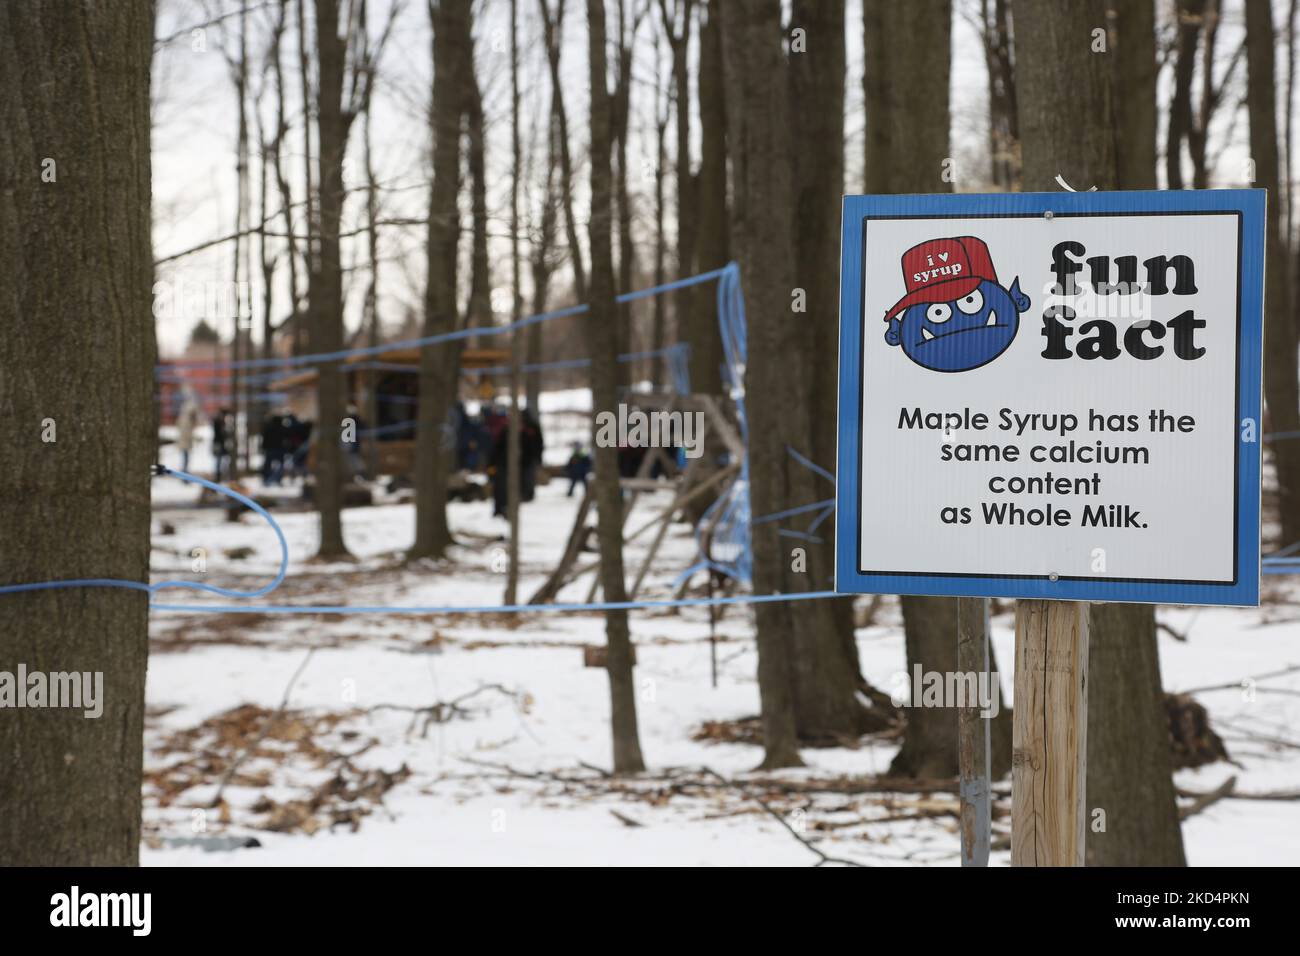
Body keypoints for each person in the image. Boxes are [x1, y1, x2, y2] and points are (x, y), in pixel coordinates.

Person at [175, 388, 201, 474]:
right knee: (185, 459)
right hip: (185, 443)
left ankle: (185, 474)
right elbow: (186, 433)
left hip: (185, 442)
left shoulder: (185, 417)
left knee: (186, 459)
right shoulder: (186, 420)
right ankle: (184, 475)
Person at [212, 408, 233, 483]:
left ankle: (221, 477)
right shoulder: (218, 422)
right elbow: (220, 434)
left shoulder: (221, 422)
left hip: (221, 444)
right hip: (219, 444)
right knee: (219, 461)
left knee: (222, 461)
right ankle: (218, 477)